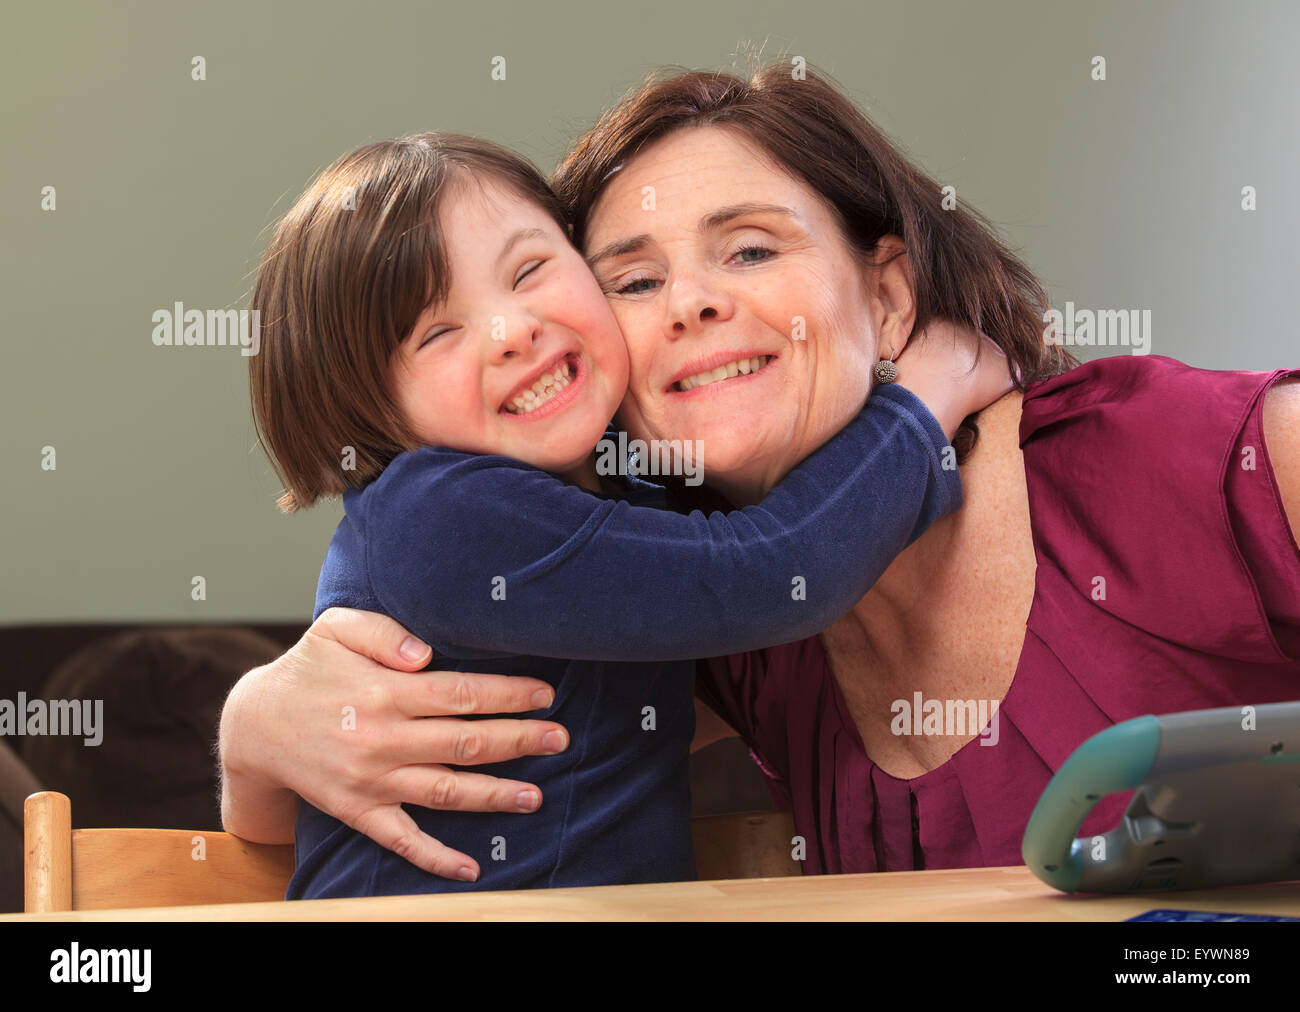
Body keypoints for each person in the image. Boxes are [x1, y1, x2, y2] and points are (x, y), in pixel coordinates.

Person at [220, 62, 1300, 882]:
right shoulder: (709, 616)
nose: (689, 303)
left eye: (747, 250)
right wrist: (258, 719)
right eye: (634, 279)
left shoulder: (1177, 458)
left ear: (886, 298)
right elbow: (752, 575)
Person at [247, 131, 1011, 896]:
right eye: (439, 332)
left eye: (530, 269)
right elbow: (774, 571)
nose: (514, 332)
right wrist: (922, 400)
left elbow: (818, 527)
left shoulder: (631, 473)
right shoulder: (439, 513)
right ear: (371, 408)